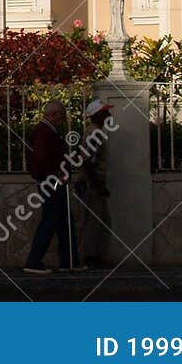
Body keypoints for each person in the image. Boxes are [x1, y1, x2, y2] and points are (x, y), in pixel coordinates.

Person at [24, 99, 80, 274]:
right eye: (62, 114)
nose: (63, 118)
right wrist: (56, 174)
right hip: (52, 183)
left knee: (65, 222)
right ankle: (33, 262)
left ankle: (69, 261)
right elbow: (41, 159)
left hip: (53, 182)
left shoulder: (47, 130)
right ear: (53, 114)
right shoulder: (44, 131)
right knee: (50, 221)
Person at [75, 98, 114, 267]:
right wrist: (99, 185)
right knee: (95, 221)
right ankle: (91, 257)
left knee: (98, 220)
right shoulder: (95, 133)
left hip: (90, 183)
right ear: (97, 115)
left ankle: (94, 255)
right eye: (105, 112)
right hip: (91, 184)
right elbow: (88, 162)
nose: (108, 115)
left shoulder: (91, 131)